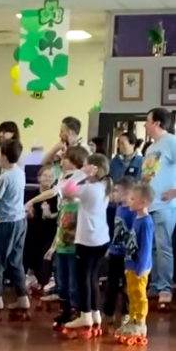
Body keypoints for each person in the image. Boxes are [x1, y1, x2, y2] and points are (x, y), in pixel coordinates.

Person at [27, 144, 88, 327]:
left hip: (74, 228)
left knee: (72, 273)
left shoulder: (79, 177)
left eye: (65, 158)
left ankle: (76, 309)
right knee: (62, 272)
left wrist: (31, 200)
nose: (61, 160)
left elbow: (54, 192)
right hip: (63, 224)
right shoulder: (64, 176)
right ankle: (66, 308)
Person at [62, 153, 111, 337]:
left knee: (83, 278)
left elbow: (67, 190)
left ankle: (85, 315)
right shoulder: (104, 186)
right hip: (101, 239)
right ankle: (95, 314)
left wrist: (80, 174)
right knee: (92, 278)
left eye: (86, 165)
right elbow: (75, 198)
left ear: (94, 169)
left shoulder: (91, 188)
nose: (83, 167)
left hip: (88, 241)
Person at [0, 139, 29, 315]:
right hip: (20, 221)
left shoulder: (5, 177)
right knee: (15, 261)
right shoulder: (19, 172)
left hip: (6, 222)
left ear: (3, 156)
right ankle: (22, 297)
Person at [141, 107, 176, 306]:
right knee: (151, 246)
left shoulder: (171, 142)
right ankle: (154, 284)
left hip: (165, 205)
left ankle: (165, 287)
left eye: (147, 121)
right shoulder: (150, 148)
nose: (145, 125)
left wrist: (174, 191)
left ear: (157, 123)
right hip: (149, 205)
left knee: (163, 246)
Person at [120, 181, 155, 341]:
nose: (130, 201)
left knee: (139, 295)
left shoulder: (146, 222)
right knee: (131, 293)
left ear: (143, 203)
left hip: (139, 267)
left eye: (133, 199)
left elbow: (146, 247)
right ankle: (133, 319)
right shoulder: (136, 219)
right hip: (131, 265)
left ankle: (140, 323)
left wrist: (141, 267)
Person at [103, 178, 135, 327]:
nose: (114, 194)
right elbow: (116, 232)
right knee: (112, 284)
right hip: (116, 253)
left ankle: (126, 313)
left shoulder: (132, 212)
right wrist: (111, 248)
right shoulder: (118, 208)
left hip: (127, 255)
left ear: (128, 192)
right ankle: (108, 312)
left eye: (117, 191)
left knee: (127, 285)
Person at [23, 164, 58, 289]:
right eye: (45, 175)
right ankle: (30, 274)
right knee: (31, 237)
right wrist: (30, 212)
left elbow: (58, 215)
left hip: (50, 229)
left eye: (50, 176)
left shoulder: (56, 196)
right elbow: (28, 212)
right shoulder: (32, 194)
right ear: (39, 178)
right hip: (35, 228)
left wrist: (49, 214)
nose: (47, 178)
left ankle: (45, 277)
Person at [0, 121, 20, 187]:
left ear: (13, 133)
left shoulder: (17, 152)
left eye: (4, 132)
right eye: (0, 132)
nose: (1, 134)